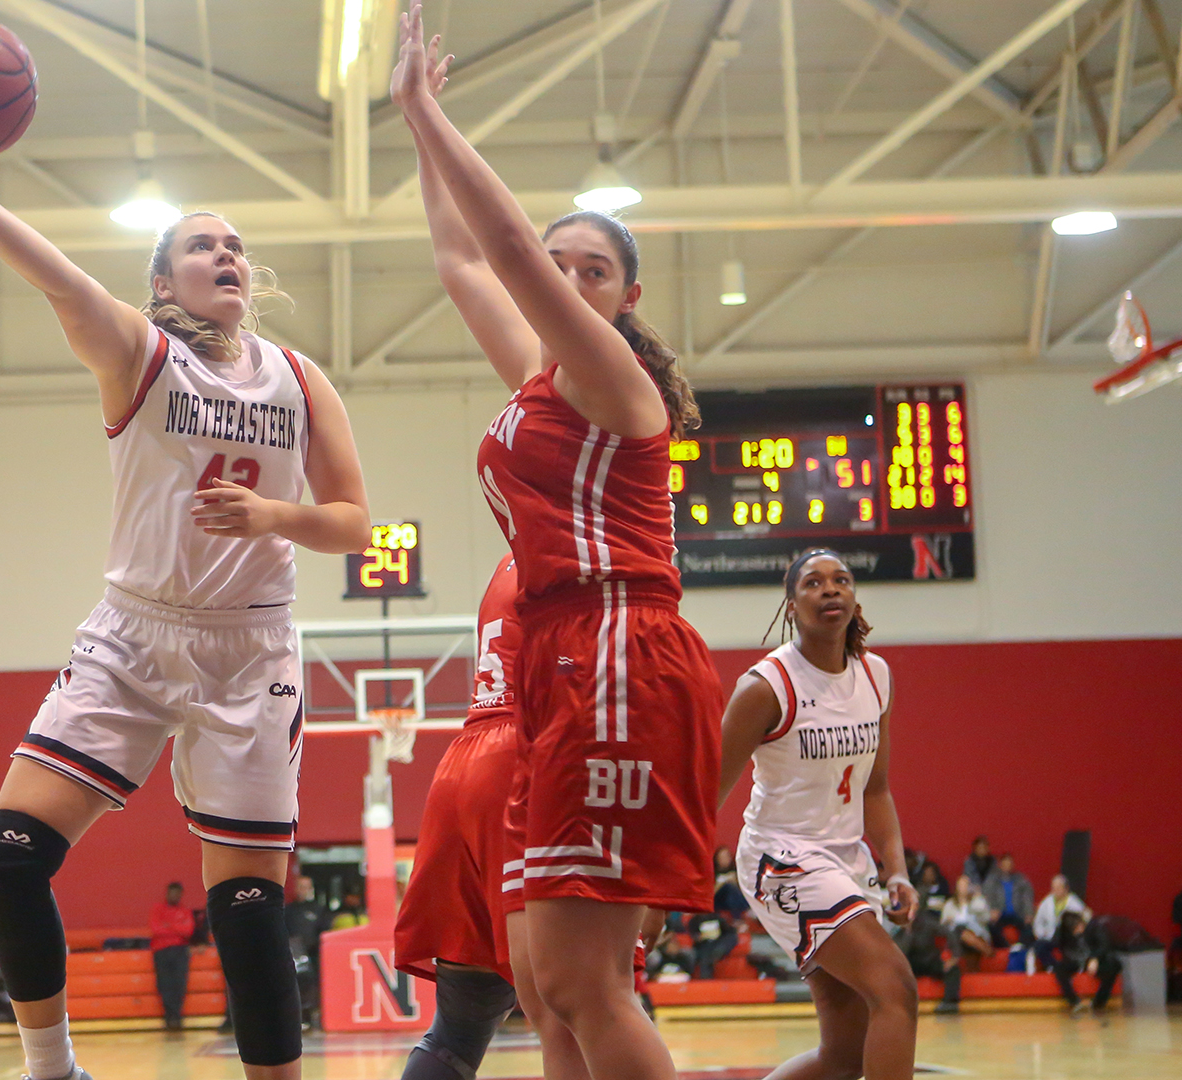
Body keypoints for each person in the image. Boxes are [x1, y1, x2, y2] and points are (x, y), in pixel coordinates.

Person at [0, 92, 370, 1080]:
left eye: (237, 244)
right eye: (203, 245)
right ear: (163, 281)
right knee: (8, 861)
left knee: (249, 915)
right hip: (133, 633)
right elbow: (63, 283)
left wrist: (273, 517)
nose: (228, 255)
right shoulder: (142, 357)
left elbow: (353, 525)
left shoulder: (298, 378)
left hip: (251, 648)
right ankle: (52, 1070)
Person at [394, 9, 721, 1080]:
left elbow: (499, 246)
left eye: (592, 270)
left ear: (627, 300)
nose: (568, 279)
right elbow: (459, 256)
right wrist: (416, 136)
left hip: (621, 647)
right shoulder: (542, 384)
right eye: (560, 264)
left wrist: (426, 112)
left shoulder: (614, 383)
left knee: (587, 983)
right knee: (539, 987)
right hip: (553, 665)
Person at [720, 549, 920, 1080]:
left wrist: (896, 867)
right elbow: (703, 794)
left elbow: (875, 789)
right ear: (791, 607)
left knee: (846, 1055)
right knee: (895, 988)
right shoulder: (765, 687)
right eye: (813, 583)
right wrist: (662, 893)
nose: (830, 590)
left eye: (841, 580)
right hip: (779, 856)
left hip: (844, 860)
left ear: (855, 599)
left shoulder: (875, 677)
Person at [391, 556, 529, 1080]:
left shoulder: (504, 564)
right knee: (592, 1008)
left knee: (457, 1034)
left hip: (464, 762)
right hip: (527, 759)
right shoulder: (579, 545)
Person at [1051, 911, 1121, 1014]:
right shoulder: (1064, 931)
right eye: (1074, 930)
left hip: (1093, 958)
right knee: (1059, 968)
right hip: (1075, 960)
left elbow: (1104, 945)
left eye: (1079, 927)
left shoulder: (1095, 927)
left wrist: (1095, 958)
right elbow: (1056, 942)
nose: (1077, 932)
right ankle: (1074, 1001)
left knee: (1113, 966)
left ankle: (1099, 1003)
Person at [149, 884, 196, 1031]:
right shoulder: (157, 909)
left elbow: (188, 931)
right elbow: (155, 929)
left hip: (180, 951)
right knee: (164, 985)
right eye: (171, 893)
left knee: (179, 985)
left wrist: (168, 925)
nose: (174, 896)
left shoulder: (185, 911)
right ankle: (169, 1017)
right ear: (167, 893)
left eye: (177, 894)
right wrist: (177, 927)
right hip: (161, 951)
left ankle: (177, 1017)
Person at [283, 876, 324, 1031]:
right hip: (293, 957)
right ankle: (297, 1021)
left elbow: (324, 932)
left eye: (306, 886)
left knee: (313, 989)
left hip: (314, 956)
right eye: (300, 886)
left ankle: (312, 1019)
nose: (303, 890)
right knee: (295, 989)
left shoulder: (318, 909)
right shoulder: (288, 911)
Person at [1033, 875, 1092, 970]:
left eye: (1058, 888)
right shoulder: (1046, 902)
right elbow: (1038, 922)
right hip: (1051, 936)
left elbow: (1086, 918)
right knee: (1039, 946)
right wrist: (1041, 934)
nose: (1055, 891)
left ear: (1066, 888)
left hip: (1068, 938)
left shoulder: (1074, 903)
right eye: (1053, 888)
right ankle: (1052, 967)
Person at [982, 854, 1034, 949]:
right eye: (1005, 864)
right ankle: (1006, 948)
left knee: (1028, 928)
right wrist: (992, 910)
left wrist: (1028, 913)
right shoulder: (992, 880)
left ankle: (1020, 948)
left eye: (1010, 864)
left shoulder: (1021, 879)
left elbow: (1027, 897)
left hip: (1018, 914)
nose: (1007, 867)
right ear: (1000, 865)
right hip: (999, 914)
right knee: (990, 927)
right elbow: (987, 896)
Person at [941, 876, 993, 961]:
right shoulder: (950, 904)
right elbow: (943, 923)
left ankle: (973, 947)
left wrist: (978, 896)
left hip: (977, 933)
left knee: (964, 933)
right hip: (956, 935)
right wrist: (949, 920)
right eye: (961, 885)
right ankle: (985, 949)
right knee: (960, 930)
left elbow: (986, 918)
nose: (963, 888)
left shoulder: (977, 900)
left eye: (966, 885)